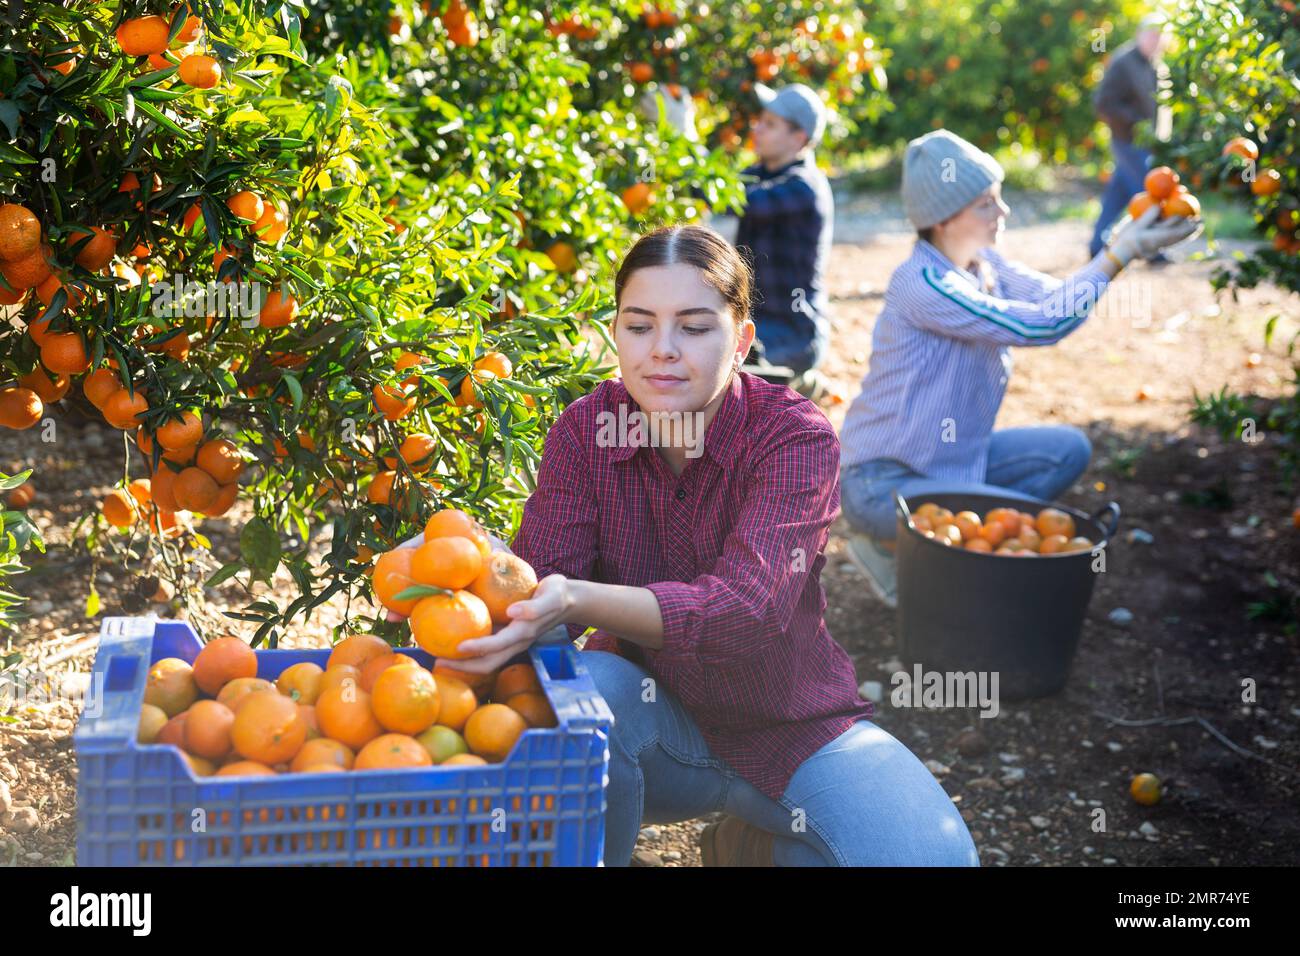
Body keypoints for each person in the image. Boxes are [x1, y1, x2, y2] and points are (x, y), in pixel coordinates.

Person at [393, 225, 980, 867]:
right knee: (590, 692)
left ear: (742, 341)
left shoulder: (793, 438)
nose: (663, 351)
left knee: (932, 859)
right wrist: (465, 574)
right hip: (649, 725)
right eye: (639, 326)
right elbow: (539, 582)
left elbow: (747, 611)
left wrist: (577, 599)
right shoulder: (588, 431)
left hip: (792, 727)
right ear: (615, 333)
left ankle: (748, 847)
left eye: (695, 327)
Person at [838, 129, 1198, 608]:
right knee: (995, 520)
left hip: (947, 465)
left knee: (1065, 451)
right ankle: (896, 549)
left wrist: (1122, 242)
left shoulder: (984, 266)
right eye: (987, 203)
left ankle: (937, 545)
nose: (1002, 212)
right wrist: (1119, 254)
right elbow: (1042, 326)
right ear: (944, 219)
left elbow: (1056, 299)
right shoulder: (923, 284)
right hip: (880, 484)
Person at [643, 83, 835, 400]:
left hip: (791, 334)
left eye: (770, 124)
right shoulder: (759, 173)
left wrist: (684, 136)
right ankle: (792, 383)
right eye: (761, 120)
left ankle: (793, 379)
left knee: (708, 368)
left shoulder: (804, 189)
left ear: (798, 138)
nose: (757, 128)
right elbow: (712, 186)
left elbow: (729, 197)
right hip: (754, 324)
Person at [1089, 14, 1168, 259]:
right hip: (1127, 141)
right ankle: (1152, 250)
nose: (1155, 41)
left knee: (1118, 194)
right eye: (1151, 35)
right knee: (1149, 192)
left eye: (1160, 36)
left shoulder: (1154, 64)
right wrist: (1135, 122)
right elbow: (1103, 104)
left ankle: (1095, 245)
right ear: (1139, 35)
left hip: (1146, 143)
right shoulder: (1123, 62)